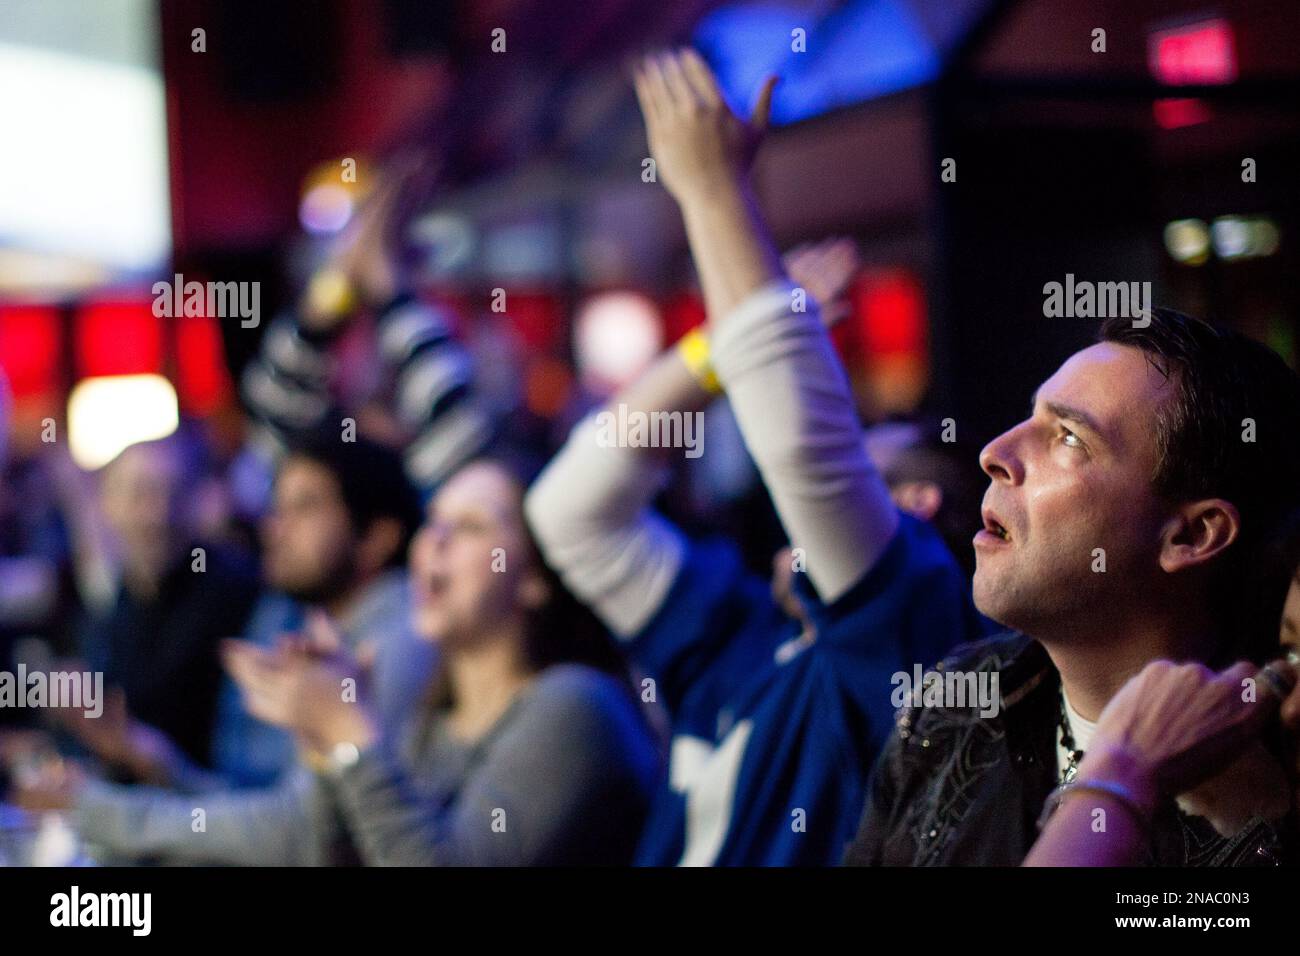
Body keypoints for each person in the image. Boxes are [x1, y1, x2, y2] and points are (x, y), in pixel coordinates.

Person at [524, 50, 984, 866]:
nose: (790, 504)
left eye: (868, 477)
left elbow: (808, 451)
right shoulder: (743, 633)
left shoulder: (918, 640)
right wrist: (714, 352)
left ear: (911, 511)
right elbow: (572, 510)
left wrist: (713, 192)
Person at [844, 304, 1300, 865]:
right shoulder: (955, 705)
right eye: (1029, 417)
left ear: (1191, 534)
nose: (995, 454)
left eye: (1069, 437)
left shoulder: (1271, 799)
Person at [221, 455, 661, 866]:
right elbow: (335, 857)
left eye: (471, 526)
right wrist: (320, 742)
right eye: (433, 522)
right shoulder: (430, 727)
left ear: (534, 579)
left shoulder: (577, 705)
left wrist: (349, 733)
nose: (436, 541)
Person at [22, 433, 436, 865]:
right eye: (278, 507)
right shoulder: (298, 619)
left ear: (377, 537)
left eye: (306, 507)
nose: (275, 527)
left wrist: (94, 808)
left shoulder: (397, 638)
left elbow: (296, 834)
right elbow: (260, 803)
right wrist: (157, 763)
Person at [1025, 512, 1300, 865]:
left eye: (1076, 451)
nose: (1291, 711)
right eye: (1292, 655)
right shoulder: (969, 697)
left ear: (1192, 534)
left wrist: (1120, 777)